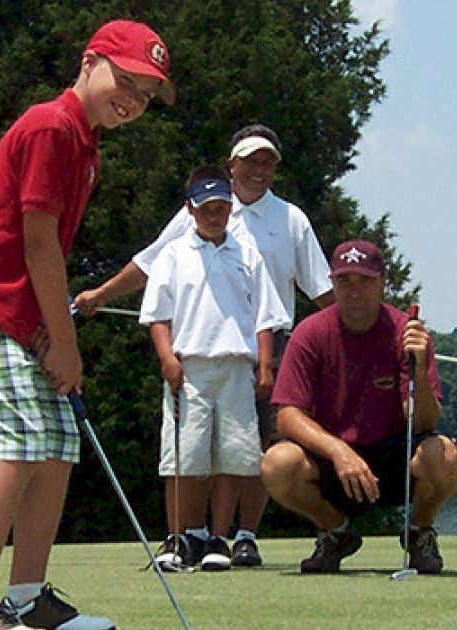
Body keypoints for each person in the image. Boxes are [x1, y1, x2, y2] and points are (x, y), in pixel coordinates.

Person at [0, 19, 175, 630]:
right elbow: (37, 243)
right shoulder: (50, 126)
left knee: (57, 445)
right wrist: (65, 343)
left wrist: (47, 329)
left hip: (15, 312)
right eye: (127, 80)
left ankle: (28, 597)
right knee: (21, 440)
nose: (134, 100)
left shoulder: (84, 145)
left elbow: (43, 252)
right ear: (90, 62)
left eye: (146, 95)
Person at [73, 124, 333, 567]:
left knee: (257, 447)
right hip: (199, 351)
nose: (258, 169)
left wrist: (361, 331)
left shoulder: (291, 219)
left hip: (270, 346)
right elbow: (150, 263)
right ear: (232, 164)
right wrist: (100, 295)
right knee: (195, 449)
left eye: (268, 161)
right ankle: (192, 537)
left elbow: (322, 290)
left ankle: (244, 536)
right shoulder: (195, 214)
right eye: (250, 160)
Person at [260, 239, 457, 574]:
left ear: (383, 282)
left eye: (365, 281)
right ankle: (337, 531)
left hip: (394, 457)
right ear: (333, 283)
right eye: (344, 282)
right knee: (277, 463)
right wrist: (338, 451)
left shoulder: (407, 332)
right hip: (333, 460)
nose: (354, 292)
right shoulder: (309, 333)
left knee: (446, 455)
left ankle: (419, 532)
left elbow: (425, 421)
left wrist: (420, 371)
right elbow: (287, 415)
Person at [139, 165, 290, 571]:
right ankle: (180, 537)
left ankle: (217, 540)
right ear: (191, 209)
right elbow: (157, 316)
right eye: (207, 207)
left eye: (222, 206)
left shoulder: (248, 254)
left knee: (234, 456)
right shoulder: (172, 255)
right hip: (189, 368)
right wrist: (167, 359)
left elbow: (263, 316)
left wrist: (264, 365)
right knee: (184, 457)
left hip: (237, 366)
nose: (215, 214)